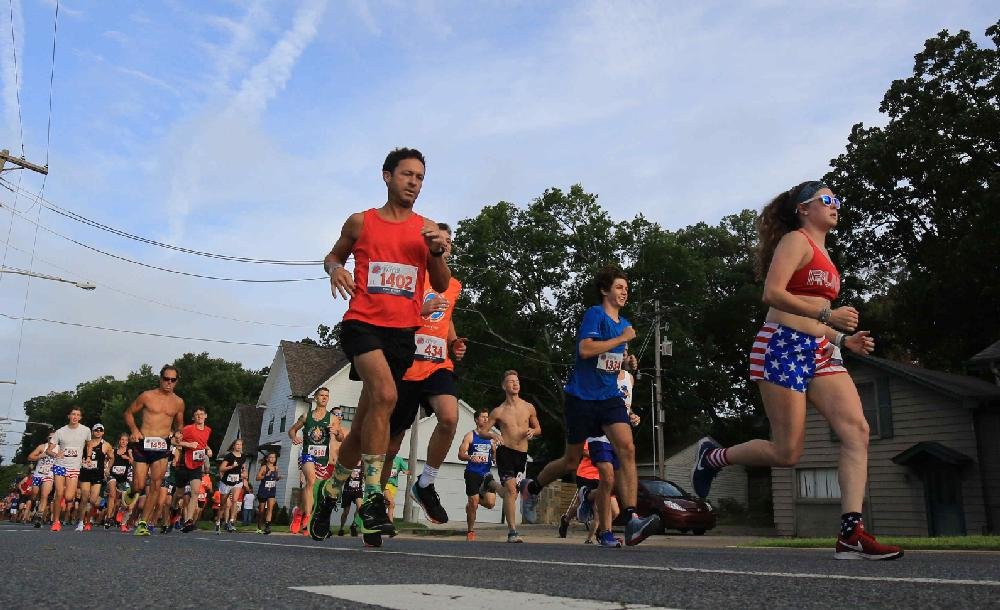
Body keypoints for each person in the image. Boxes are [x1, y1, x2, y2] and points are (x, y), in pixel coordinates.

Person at [690, 181, 902, 561]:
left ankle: (851, 532)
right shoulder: (796, 241)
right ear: (804, 208)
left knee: (857, 429)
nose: (835, 204)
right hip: (782, 346)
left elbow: (813, 316)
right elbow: (773, 294)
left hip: (819, 348)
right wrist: (827, 314)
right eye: (827, 199)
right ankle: (713, 458)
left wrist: (841, 340)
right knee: (787, 452)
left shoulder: (825, 251)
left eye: (837, 198)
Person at [310, 147, 450, 548]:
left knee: (363, 425)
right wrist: (336, 269)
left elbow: (439, 284)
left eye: (420, 177)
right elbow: (333, 255)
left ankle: (331, 493)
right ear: (387, 176)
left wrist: (437, 251)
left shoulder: (426, 230)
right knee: (386, 395)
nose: (414, 183)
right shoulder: (361, 222)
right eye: (407, 175)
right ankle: (373, 497)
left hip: (402, 334)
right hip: (362, 324)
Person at [518, 267, 661, 547]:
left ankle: (631, 519)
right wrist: (622, 339)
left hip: (609, 398)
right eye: (619, 287)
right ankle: (532, 486)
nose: (624, 292)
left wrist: (625, 363)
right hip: (581, 398)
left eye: (627, 288)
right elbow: (586, 350)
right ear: (605, 290)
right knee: (571, 461)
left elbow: (608, 360)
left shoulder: (625, 323)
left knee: (627, 448)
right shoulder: (596, 314)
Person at [383, 223, 466, 525]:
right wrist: (420, 310)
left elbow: (446, 319)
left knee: (450, 417)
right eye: (439, 241)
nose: (444, 246)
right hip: (406, 364)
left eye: (448, 243)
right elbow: (387, 314)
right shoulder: (411, 275)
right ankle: (376, 503)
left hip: (436, 363)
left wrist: (453, 342)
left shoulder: (452, 284)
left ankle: (426, 483)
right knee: (391, 446)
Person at [123, 364, 185, 537]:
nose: (169, 383)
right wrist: (134, 430)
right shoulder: (147, 396)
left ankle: (143, 523)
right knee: (140, 485)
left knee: (156, 485)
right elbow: (128, 413)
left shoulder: (178, 402)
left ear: (176, 382)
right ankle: (131, 491)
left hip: (162, 445)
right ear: (160, 378)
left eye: (173, 380)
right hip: (143, 443)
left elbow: (180, 423)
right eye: (166, 379)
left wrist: (178, 434)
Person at [485, 370, 541, 543]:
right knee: (510, 489)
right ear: (504, 386)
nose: (515, 384)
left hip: (521, 455)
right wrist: (494, 436)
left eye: (517, 381)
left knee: (512, 493)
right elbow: (483, 430)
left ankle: (491, 484)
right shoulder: (498, 411)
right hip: (505, 453)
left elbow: (539, 429)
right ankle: (512, 531)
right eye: (510, 381)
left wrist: (533, 431)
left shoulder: (529, 407)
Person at [289, 387, 343, 535]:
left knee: (313, 490)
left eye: (327, 396)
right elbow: (292, 430)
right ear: (316, 398)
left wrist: (336, 432)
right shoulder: (307, 416)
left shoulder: (333, 419)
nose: (324, 398)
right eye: (321, 395)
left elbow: (341, 438)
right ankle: (307, 519)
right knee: (311, 481)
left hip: (322, 458)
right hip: (307, 454)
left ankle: (299, 512)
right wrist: (294, 437)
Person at [457, 409, 499, 541]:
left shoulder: (492, 437)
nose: (486, 419)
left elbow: (494, 455)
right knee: (474, 502)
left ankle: (471, 504)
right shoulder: (470, 435)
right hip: (472, 473)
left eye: (487, 417)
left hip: (486, 475)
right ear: (476, 419)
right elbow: (460, 454)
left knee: (490, 503)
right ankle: (470, 531)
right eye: (483, 417)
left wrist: (494, 457)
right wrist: (470, 457)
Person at [48, 407, 91, 532]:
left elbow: (89, 445)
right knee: (60, 494)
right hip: (60, 465)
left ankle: (60, 509)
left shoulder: (85, 430)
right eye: (73, 414)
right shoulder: (60, 432)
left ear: (80, 417)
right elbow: (49, 450)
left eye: (78, 415)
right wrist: (56, 454)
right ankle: (56, 522)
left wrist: (88, 457)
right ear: (69, 416)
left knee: (68, 497)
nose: (75, 417)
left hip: (74, 467)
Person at [174, 407, 212, 533]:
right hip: (184, 464)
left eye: (202, 414)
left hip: (197, 466)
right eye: (197, 415)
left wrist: (208, 449)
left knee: (195, 492)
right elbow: (174, 441)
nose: (199, 416)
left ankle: (188, 520)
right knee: (179, 494)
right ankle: (174, 508)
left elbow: (202, 442)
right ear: (193, 418)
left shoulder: (208, 430)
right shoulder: (188, 429)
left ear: (206, 416)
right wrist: (189, 445)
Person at [76, 423, 113, 531]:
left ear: (103, 432)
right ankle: (81, 522)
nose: (98, 432)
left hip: (97, 474)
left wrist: (107, 468)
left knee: (93, 500)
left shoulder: (106, 445)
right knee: (84, 498)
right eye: (96, 430)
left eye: (100, 430)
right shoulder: (86, 443)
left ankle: (88, 521)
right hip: (86, 472)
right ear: (92, 432)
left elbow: (111, 457)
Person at [27, 432, 57, 528]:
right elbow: (30, 457)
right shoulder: (42, 447)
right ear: (47, 438)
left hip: (49, 474)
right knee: (34, 494)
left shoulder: (59, 448)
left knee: (44, 495)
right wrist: (40, 456)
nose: (52, 439)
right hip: (38, 474)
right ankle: (35, 504)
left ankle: (39, 518)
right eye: (50, 437)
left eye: (54, 438)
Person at [217, 439, 247, 533]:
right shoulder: (229, 456)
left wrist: (244, 473)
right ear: (233, 446)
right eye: (237, 444)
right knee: (223, 505)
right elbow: (221, 468)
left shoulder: (243, 456)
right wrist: (231, 467)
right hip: (226, 482)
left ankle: (231, 522)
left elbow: (243, 467)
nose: (239, 446)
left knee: (235, 500)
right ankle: (218, 521)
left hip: (237, 481)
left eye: (240, 445)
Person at [105, 433, 132, 529]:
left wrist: (128, 458)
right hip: (113, 475)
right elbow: (108, 460)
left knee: (123, 503)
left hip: (123, 479)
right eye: (122, 440)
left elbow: (134, 463)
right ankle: (108, 518)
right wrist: (107, 469)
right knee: (112, 494)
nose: (123, 442)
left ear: (128, 442)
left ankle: (116, 514)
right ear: (119, 441)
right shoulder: (114, 451)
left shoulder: (129, 452)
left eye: (125, 440)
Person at [255, 452, 280, 534]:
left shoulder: (276, 468)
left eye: (274, 457)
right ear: (267, 459)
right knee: (261, 510)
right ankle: (259, 526)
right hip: (263, 490)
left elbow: (274, 478)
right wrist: (265, 475)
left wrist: (278, 478)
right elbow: (257, 478)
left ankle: (267, 527)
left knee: (270, 509)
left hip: (272, 490)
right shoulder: (264, 467)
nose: (272, 459)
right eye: (271, 457)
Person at [338, 463, 363, 537]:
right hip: (348, 491)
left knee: (360, 508)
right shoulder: (349, 462)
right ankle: (341, 528)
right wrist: (349, 475)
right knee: (346, 512)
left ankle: (354, 525)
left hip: (358, 490)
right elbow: (341, 476)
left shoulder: (363, 464)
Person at [383, 455, 408, 523]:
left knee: (386, 505)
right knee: (391, 504)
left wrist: (406, 472)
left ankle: (378, 521)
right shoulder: (383, 458)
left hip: (394, 486)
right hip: (385, 484)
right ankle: (390, 525)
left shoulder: (399, 460)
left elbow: (407, 470)